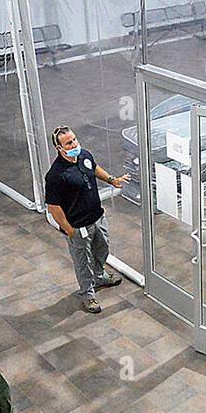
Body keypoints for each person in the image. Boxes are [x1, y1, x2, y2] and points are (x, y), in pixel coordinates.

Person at [44, 125, 130, 314]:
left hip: (97, 217)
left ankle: (99, 276)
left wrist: (112, 180)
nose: (74, 144)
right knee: (83, 262)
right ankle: (88, 295)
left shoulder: (84, 155)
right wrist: (69, 229)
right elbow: (53, 207)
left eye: (74, 139)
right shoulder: (56, 176)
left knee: (103, 248)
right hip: (78, 226)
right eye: (68, 143)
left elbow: (94, 168)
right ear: (59, 148)